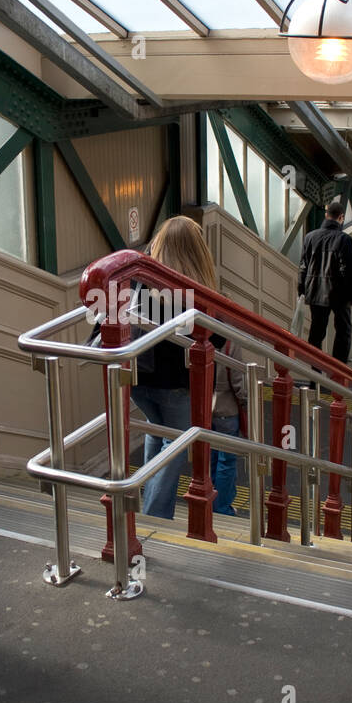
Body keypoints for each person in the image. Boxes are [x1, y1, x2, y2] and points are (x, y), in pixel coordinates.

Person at [130, 216, 222, 520]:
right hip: (175, 384)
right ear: (196, 250)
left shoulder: (140, 278)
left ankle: (145, 507)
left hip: (137, 377)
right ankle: (153, 515)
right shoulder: (194, 292)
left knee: (156, 432)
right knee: (176, 443)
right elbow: (218, 337)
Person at [297, 199, 352, 364]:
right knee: (343, 330)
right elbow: (348, 270)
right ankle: (338, 368)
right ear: (341, 217)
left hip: (315, 290)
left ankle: (314, 368)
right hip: (339, 293)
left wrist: (301, 290)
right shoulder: (344, 239)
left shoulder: (310, 237)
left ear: (326, 215)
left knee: (316, 331)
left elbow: (303, 266)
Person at [210, 338, 248, 518]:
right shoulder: (229, 342)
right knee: (226, 460)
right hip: (226, 407)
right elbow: (238, 380)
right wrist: (246, 402)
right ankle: (222, 508)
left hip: (204, 408)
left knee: (210, 458)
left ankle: (208, 501)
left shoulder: (192, 334)